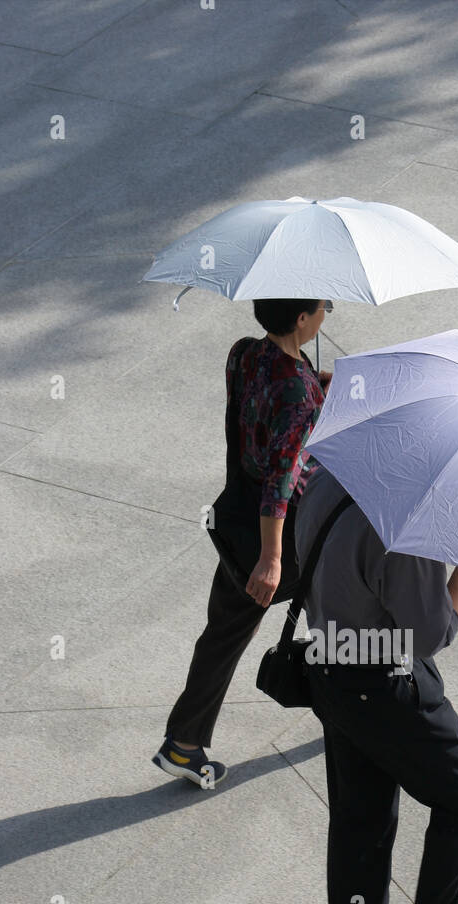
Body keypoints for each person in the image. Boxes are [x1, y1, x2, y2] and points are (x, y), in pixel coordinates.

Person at [295, 464, 458, 904]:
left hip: (328, 665)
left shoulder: (327, 472)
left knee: (360, 811)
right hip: (384, 682)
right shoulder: (403, 531)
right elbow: (430, 634)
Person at [153, 299, 332, 787]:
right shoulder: (298, 394)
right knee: (344, 609)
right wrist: (272, 560)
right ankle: (357, 711)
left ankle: (184, 743)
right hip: (289, 532)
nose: (327, 315)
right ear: (301, 319)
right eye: (324, 307)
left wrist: (318, 385)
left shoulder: (243, 353)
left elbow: (262, 406)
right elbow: (281, 478)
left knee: (223, 633)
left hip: (235, 513)